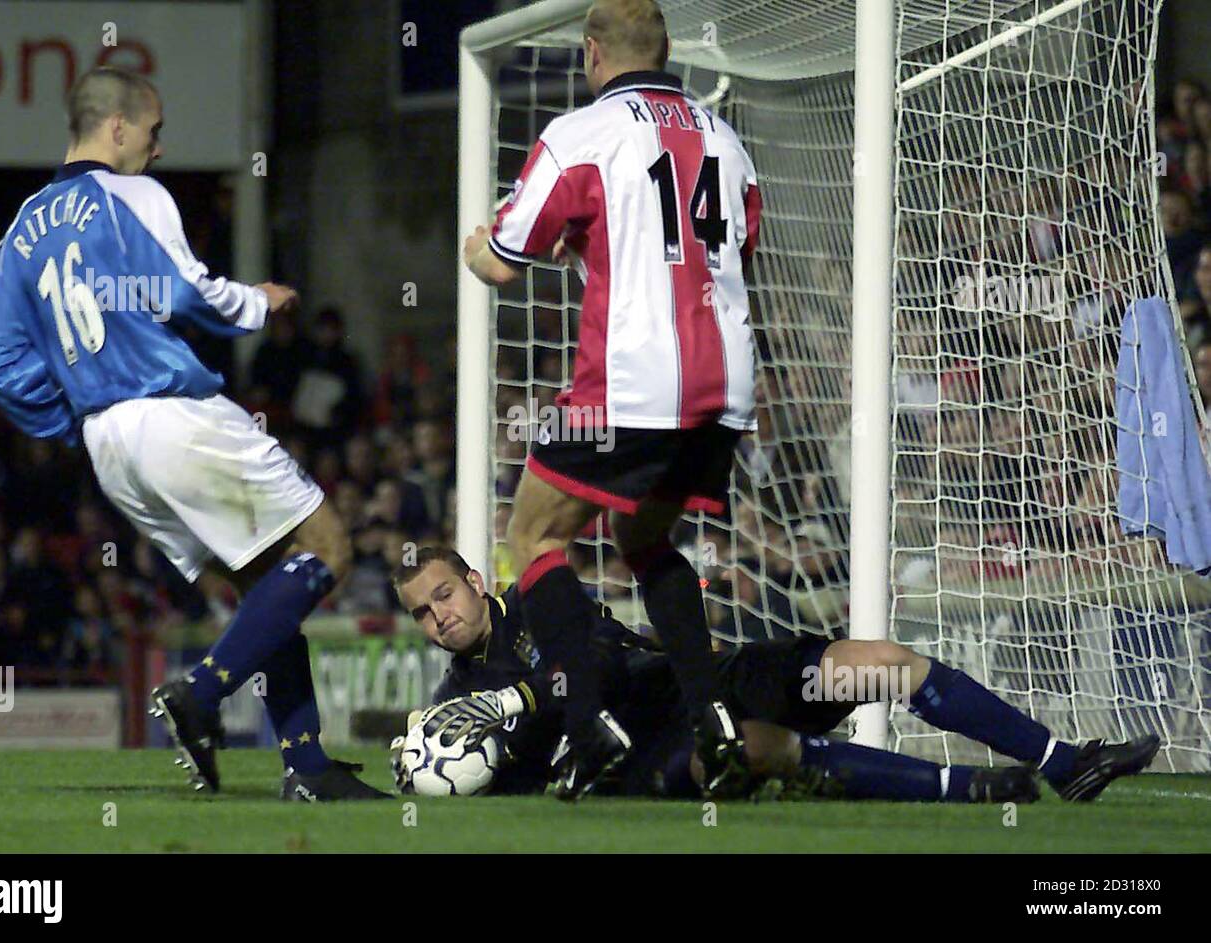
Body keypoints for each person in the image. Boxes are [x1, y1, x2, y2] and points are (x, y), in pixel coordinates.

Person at [0, 66, 385, 801]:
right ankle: (199, 694)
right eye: (155, 131)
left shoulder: (21, 226)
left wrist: (75, 409)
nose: (160, 149)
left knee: (267, 583)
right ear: (118, 127)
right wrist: (256, 304)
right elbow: (187, 288)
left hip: (111, 446)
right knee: (328, 545)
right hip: (169, 413)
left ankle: (307, 765)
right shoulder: (133, 194)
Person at [461, 0, 763, 799]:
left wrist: (473, 246)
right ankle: (713, 719)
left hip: (632, 382)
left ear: (593, 52)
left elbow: (501, 260)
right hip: (725, 383)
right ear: (664, 51)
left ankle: (586, 722)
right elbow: (731, 246)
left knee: (531, 534)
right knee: (643, 534)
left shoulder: (583, 134)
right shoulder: (725, 138)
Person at [394, 547, 1160, 802]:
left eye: (444, 594)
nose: (441, 617)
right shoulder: (454, 704)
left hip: (695, 685)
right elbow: (494, 775)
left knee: (878, 665)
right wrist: (423, 766)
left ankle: (1066, 762)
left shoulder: (537, 599)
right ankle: (970, 788)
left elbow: (595, 657)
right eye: (424, 614)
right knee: (758, 748)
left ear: (471, 577)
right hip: (646, 757)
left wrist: (521, 696)